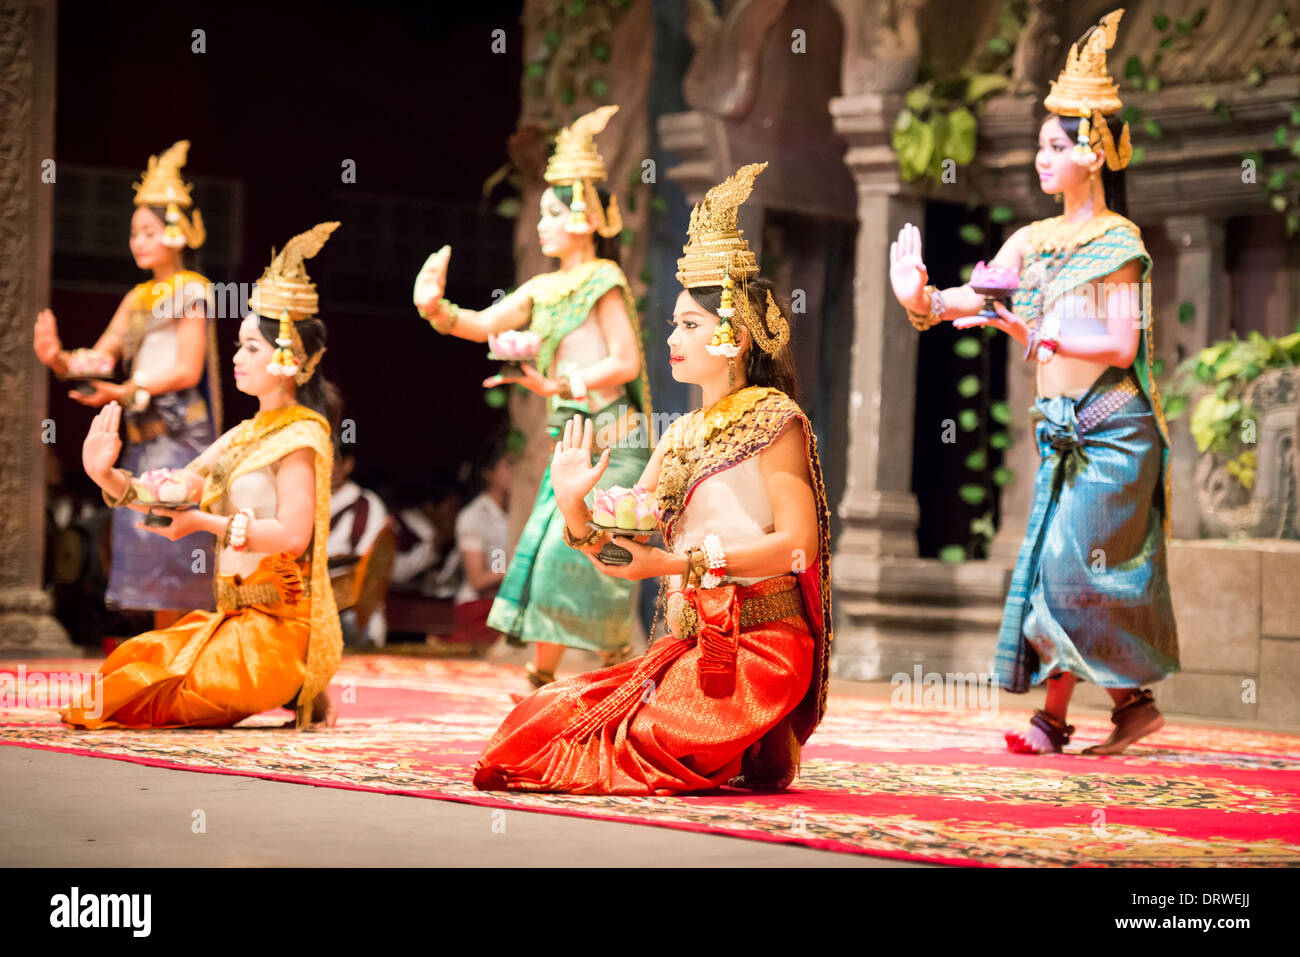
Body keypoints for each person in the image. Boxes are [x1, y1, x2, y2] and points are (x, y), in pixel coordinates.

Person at [474, 163, 833, 795]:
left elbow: (797, 546)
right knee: (532, 725)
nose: (672, 337)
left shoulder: (778, 421)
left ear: (734, 336)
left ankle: (748, 740)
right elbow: (622, 557)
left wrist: (674, 567)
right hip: (688, 647)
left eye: (689, 325)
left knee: (634, 745)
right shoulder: (677, 435)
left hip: (761, 646)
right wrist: (575, 508)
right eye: (673, 324)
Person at [889, 9, 1178, 756]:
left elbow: (1120, 342)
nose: (1041, 157)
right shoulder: (1032, 240)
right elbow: (970, 298)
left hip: (1113, 429)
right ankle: (1069, 718)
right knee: (1056, 567)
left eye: (1056, 144)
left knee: (1067, 567)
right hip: (1063, 430)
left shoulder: (1118, 241)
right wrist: (918, 295)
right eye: (1040, 144)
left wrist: (1043, 327)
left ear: (1095, 152)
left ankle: (1126, 704)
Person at [61, 223, 344, 730]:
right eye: (238, 345)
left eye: (250, 349)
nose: (235, 358)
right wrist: (108, 477)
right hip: (233, 622)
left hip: (277, 630)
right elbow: (179, 485)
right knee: (125, 675)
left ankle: (300, 678)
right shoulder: (244, 434)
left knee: (159, 702)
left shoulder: (303, 437)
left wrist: (203, 525)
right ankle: (297, 688)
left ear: (289, 361)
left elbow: (292, 537)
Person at [413, 105, 652, 694]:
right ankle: (548, 675)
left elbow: (625, 364)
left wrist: (559, 386)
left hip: (613, 443)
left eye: (551, 212)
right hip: (571, 444)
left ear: (585, 217)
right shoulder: (543, 289)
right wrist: (435, 307)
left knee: (594, 558)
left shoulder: (604, 282)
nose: (540, 223)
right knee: (554, 553)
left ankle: (611, 666)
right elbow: (483, 323)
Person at [34, 141, 221, 627]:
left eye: (148, 231)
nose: (138, 241)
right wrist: (61, 359)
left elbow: (186, 369)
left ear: (178, 235)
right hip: (143, 436)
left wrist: (122, 391)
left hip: (180, 438)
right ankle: (164, 664)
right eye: (134, 232)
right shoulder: (138, 297)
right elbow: (103, 355)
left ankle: (181, 664)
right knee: (143, 546)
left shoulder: (194, 292)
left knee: (173, 550)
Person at [329, 446, 392, 648]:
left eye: (329, 459)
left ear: (347, 465)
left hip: (349, 611)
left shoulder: (366, 505)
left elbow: (373, 566)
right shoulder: (302, 497)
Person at [452, 443, 513, 650]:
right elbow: (477, 580)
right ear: (488, 472)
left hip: (504, 605)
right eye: (507, 466)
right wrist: (518, 568)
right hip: (478, 608)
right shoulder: (474, 516)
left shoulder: (514, 513)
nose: (514, 472)